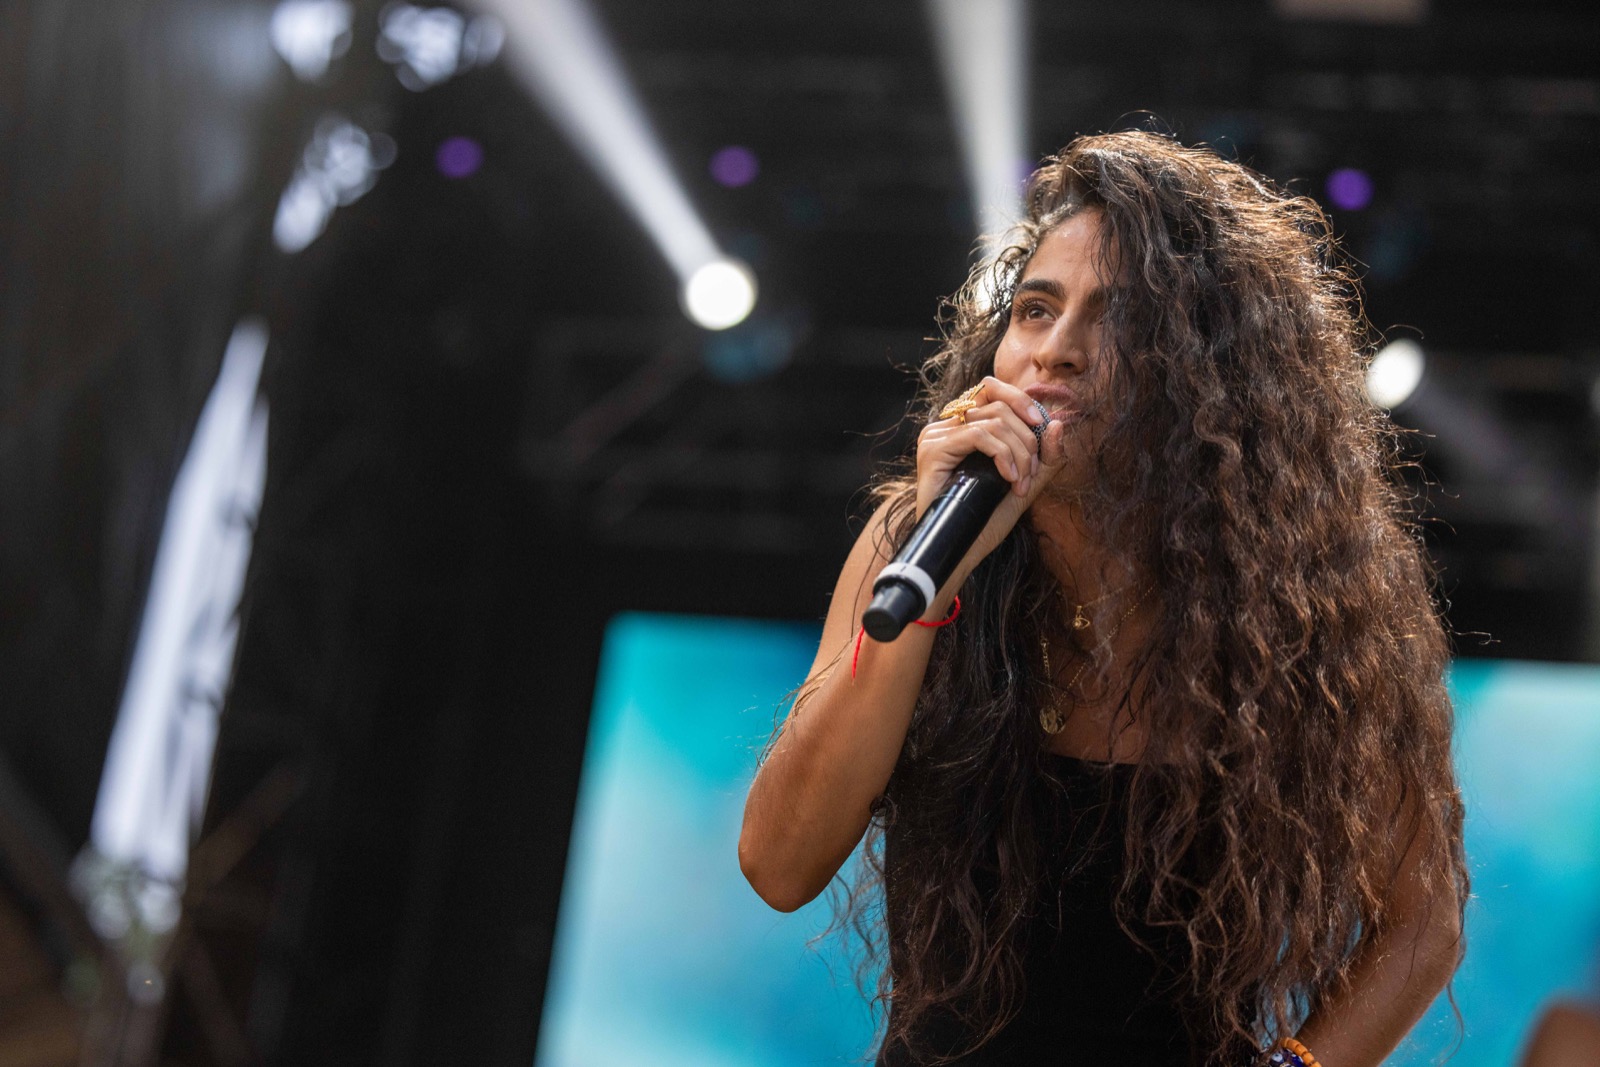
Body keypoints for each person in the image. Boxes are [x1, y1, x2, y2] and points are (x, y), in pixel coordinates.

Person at [738, 131, 1467, 1067]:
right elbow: (781, 862)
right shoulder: (909, 547)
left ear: (1212, 370)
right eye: (1035, 309)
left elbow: (1423, 917)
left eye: (1116, 320)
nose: (1058, 351)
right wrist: (929, 593)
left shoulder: (1305, 605)